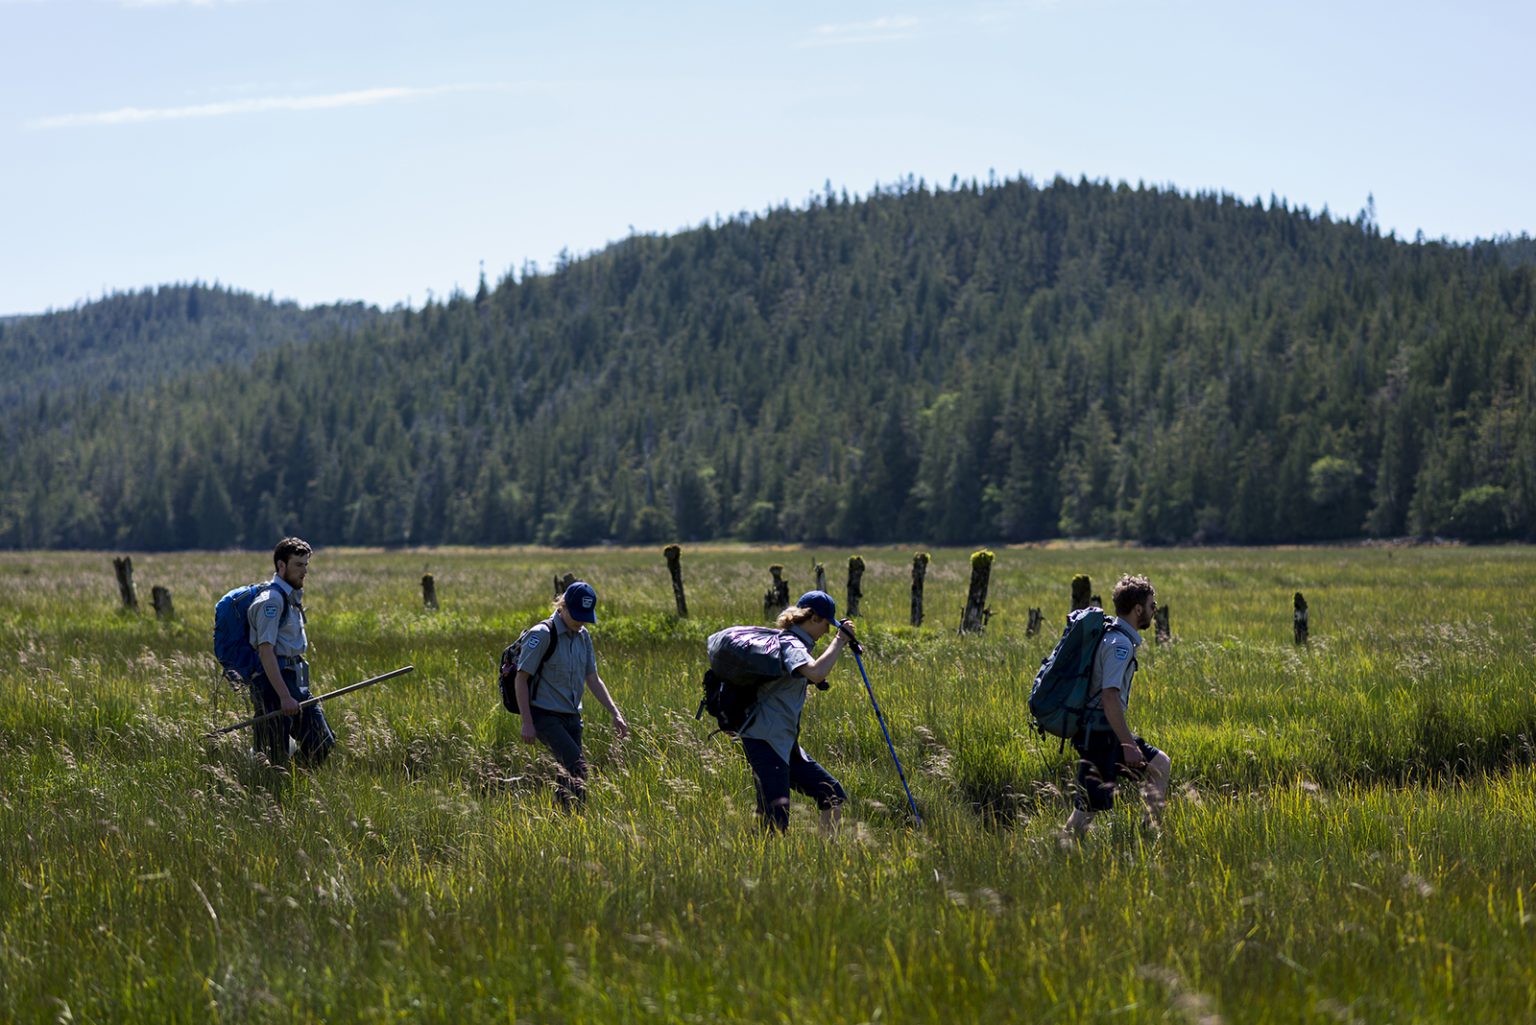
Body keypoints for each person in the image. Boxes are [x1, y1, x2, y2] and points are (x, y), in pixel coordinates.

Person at [737, 590, 851, 834]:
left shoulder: (794, 645)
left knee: (832, 795)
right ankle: (759, 866)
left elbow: (808, 675)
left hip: (784, 742)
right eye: (826, 625)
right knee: (775, 820)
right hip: (765, 740)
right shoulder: (789, 643)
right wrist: (840, 640)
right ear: (814, 619)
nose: (827, 632)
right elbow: (816, 673)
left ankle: (829, 861)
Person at [1066, 574, 1171, 836]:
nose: (1154, 610)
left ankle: (1150, 836)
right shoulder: (1119, 645)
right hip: (1099, 735)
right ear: (1138, 609)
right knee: (1087, 810)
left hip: (1106, 731)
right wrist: (1128, 744)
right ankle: (1060, 849)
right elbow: (1109, 696)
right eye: (1151, 605)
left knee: (1159, 765)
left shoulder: (1114, 635)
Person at [514, 580, 629, 808]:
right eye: (576, 615)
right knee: (579, 767)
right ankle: (578, 818)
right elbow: (521, 679)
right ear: (563, 606)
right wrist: (527, 722)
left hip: (572, 717)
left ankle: (560, 819)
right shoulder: (543, 634)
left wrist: (615, 713)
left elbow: (593, 679)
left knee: (567, 773)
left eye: (585, 616)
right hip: (545, 716)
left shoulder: (584, 636)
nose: (580, 622)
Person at [248, 537, 335, 768]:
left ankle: (296, 784)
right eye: (298, 565)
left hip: (295, 678)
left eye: (306, 565)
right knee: (276, 754)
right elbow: (266, 652)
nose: (304, 571)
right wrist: (284, 695)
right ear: (281, 566)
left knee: (323, 742)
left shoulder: (291, 597)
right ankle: (274, 791)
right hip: (273, 682)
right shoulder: (272, 602)